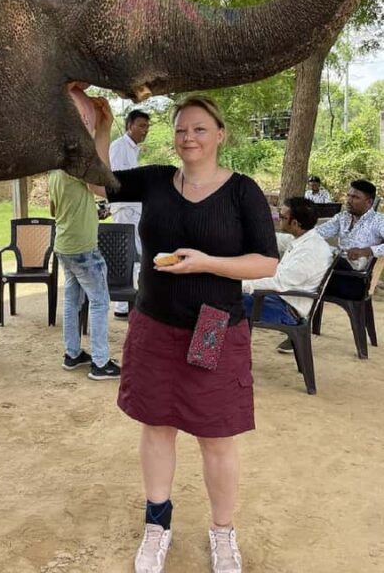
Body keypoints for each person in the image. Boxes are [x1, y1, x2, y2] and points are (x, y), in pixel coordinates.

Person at [91, 94, 278, 573]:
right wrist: (102, 125)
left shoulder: (242, 191)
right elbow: (97, 182)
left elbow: (266, 261)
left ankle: (222, 534)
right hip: (154, 323)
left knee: (215, 436)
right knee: (157, 426)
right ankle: (157, 525)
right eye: (180, 130)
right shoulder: (155, 180)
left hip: (213, 325)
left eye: (198, 128)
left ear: (219, 134)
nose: (188, 137)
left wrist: (207, 262)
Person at [48, 90, 121, 382]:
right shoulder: (77, 161)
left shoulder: (54, 165)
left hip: (64, 244)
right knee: (101, 301)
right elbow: (103, 185)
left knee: (73, 299)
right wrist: (104, 129)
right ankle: (100, 362)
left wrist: (88, 210)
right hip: (82, 248)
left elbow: (55, 207)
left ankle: (73, 353)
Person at [242, 197, 333, 353]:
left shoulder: (310, 252)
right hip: (278, 299)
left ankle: (205, 355)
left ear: (295, 223)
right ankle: (212, 355)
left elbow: (279, 283)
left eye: (282, 217)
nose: (278, 220)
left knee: (220, 300)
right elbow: (276, 239)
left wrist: (241, 284)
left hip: (286, 310)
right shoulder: (304, 239)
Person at [109, 109, 150, 318]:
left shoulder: (133, 149)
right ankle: (123, 306)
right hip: (125, 209)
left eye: (147, 126)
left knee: (137, 254)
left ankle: (130, 302)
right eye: (141, 125)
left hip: (135, 209)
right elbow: (117, 179)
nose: (145, 130)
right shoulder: (118, 147)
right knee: (130, 255)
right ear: (129, 126)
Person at [316, 179, 384, 299]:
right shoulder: (343, 217)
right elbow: (318, 233)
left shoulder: (378, 220)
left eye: (355, 197)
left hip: (354, 280)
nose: (349, 200)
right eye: (348, 196)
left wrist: (367, 251)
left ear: (369, 202)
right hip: (335, 272)